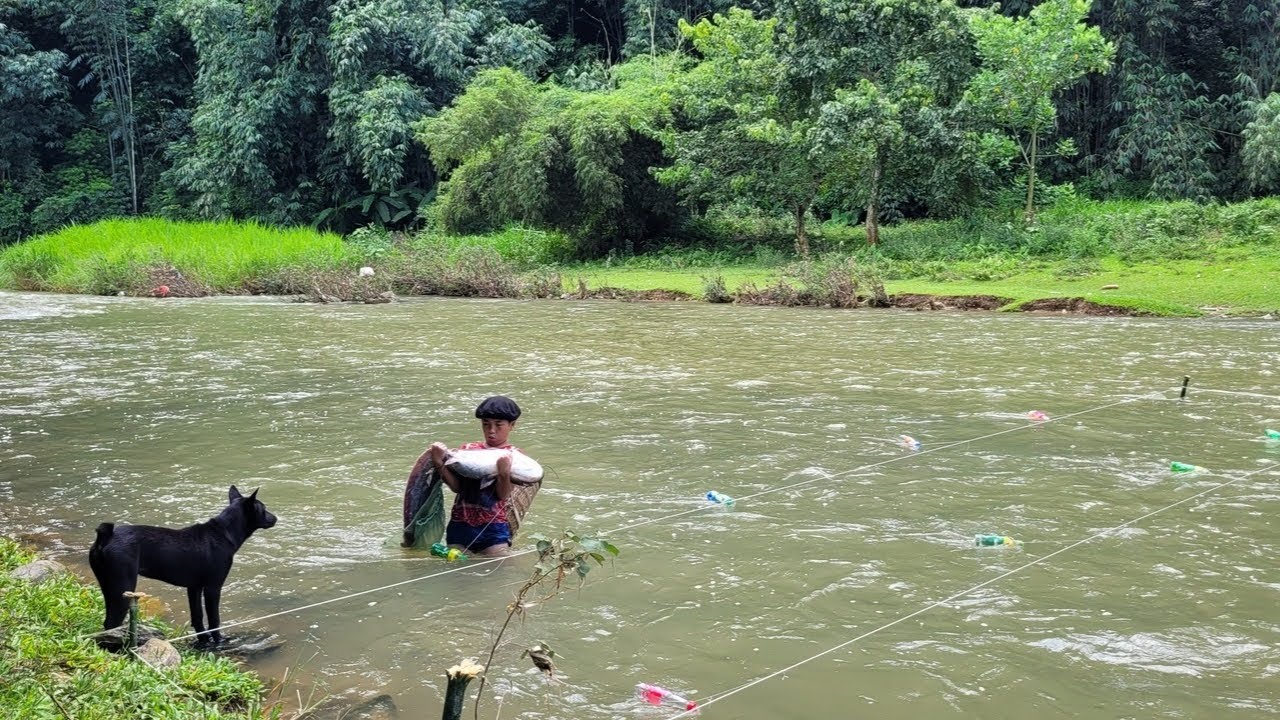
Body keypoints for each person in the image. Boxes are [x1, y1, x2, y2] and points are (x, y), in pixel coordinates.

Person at [427, 396, 523, 556]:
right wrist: (439, 462)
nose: (491, 430)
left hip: (493, 528)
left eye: (498, 425)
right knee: (458, 574)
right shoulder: (467, 450)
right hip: (460, 524)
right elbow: (457, 487)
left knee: (500, 570)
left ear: (512, 425)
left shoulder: (514, 456)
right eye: (486, 424)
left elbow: (503, 495)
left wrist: (504, 473)